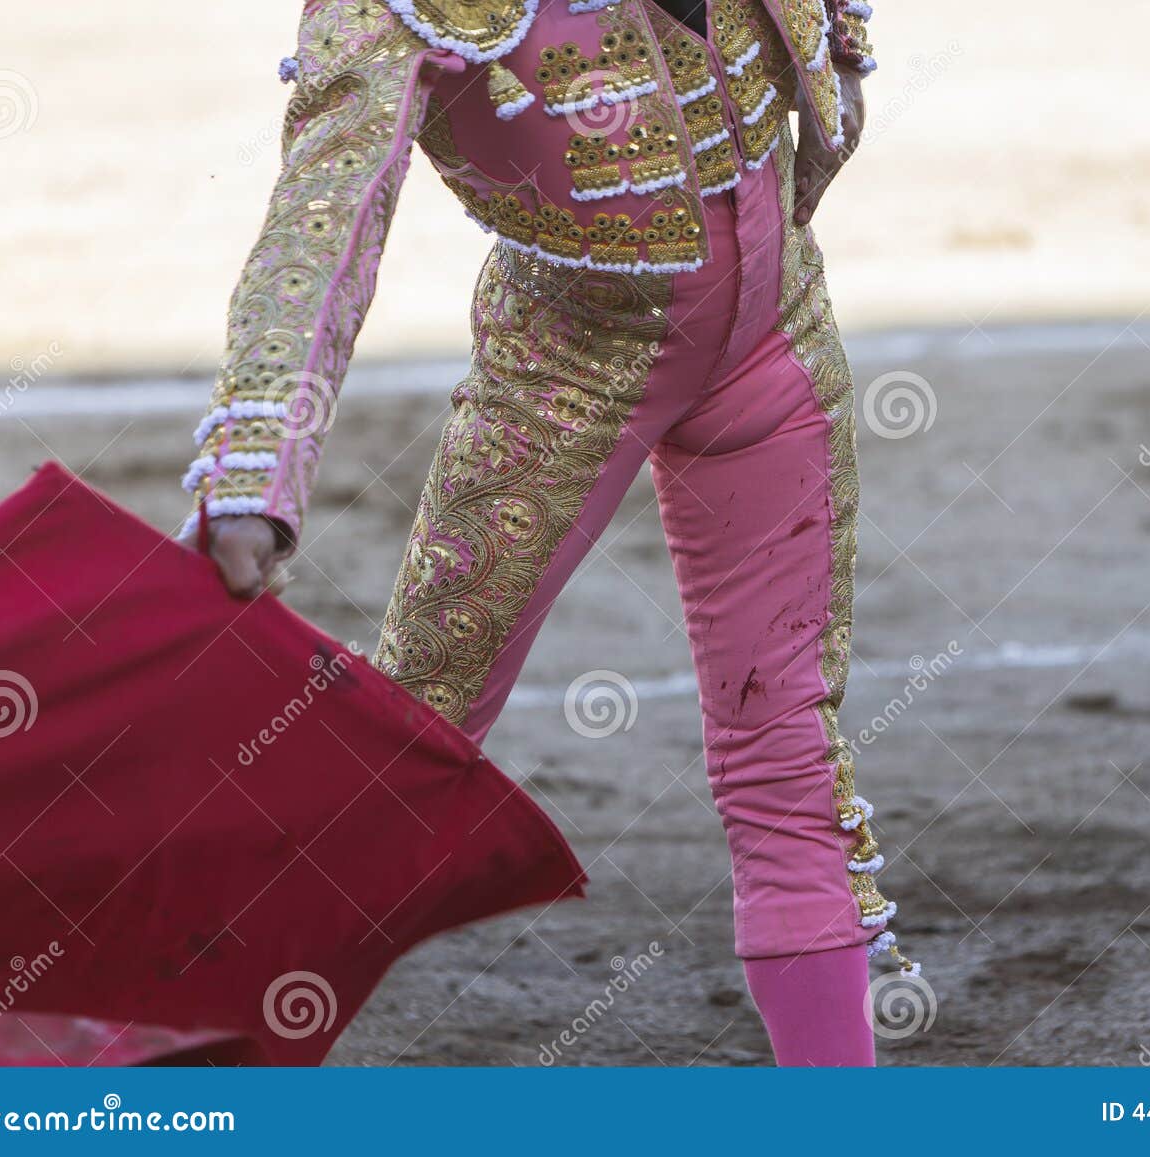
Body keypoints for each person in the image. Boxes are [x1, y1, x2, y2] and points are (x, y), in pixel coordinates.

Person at [177, 0, 906, 1066]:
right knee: (402, 756)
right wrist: (255, 463)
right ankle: (181, 1067)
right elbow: (325, 215)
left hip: (774, 337)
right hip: (565, 376)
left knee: (788, 746)